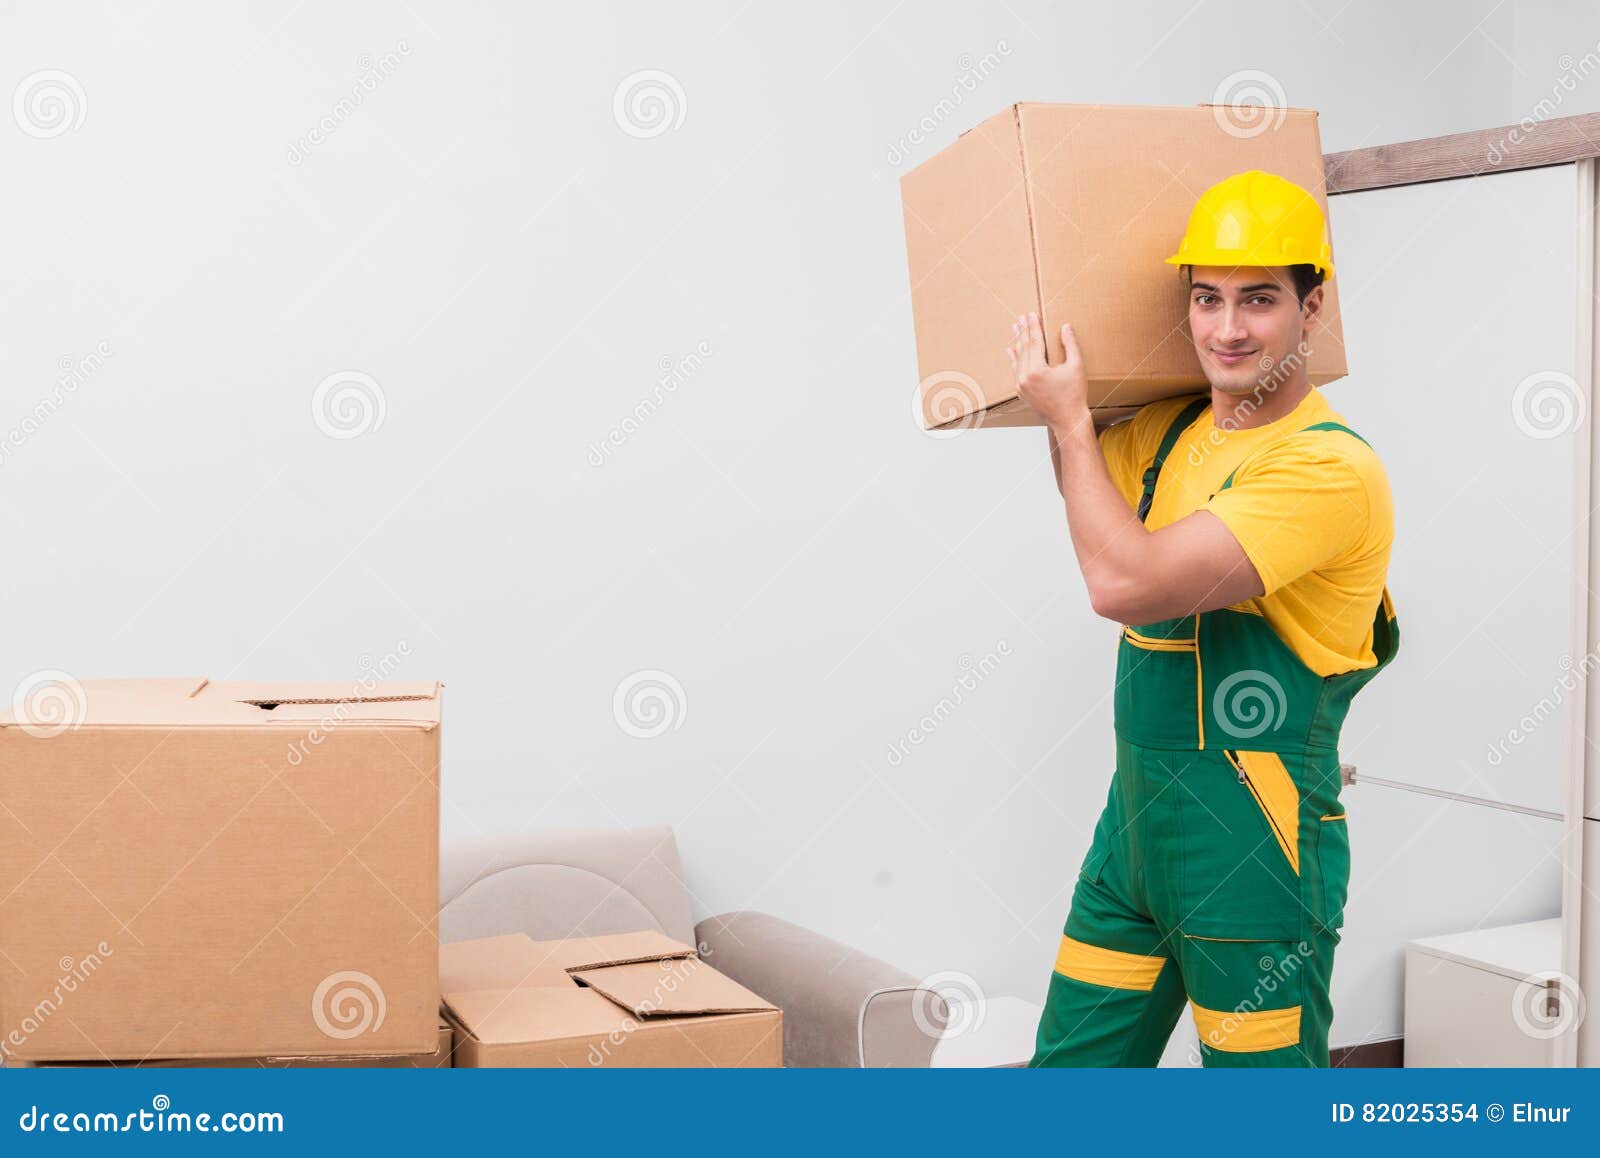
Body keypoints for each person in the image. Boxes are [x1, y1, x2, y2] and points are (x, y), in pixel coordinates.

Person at [1011, 170, 1398, 1067]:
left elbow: (1123, 582)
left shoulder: (1325, 471)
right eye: (1207, 299)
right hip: (1133, 843)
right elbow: (1084, 486)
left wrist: (1070, 424)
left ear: (1313, 306)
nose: (1227, 329)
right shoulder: (1173, 430)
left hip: (1253, 857)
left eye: (1259, 300)